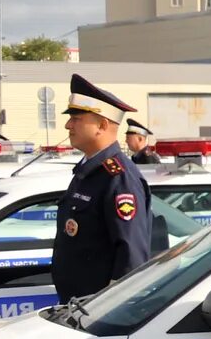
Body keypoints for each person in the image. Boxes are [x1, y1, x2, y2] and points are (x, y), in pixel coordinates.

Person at [51, 74, 153, 302]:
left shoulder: (118, 178)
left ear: (102, 125)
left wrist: (112, 309)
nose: (68, 125)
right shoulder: (88, 171)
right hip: (79, 306)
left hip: (98, 312)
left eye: (76, 118)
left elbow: (131, 257)